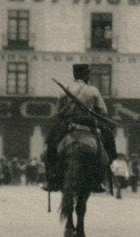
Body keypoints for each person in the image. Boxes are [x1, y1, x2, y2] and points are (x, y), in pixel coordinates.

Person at [41, 63, 115, 192]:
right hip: (88, 125)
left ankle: (51, 180)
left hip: (68, 125)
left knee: (51, 145)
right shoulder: (93, 90)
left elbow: (58, 111)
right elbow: (103, 111)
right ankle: (99, 181)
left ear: (74, 75)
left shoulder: (65, 89)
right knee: (108, 142)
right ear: (86, 75)